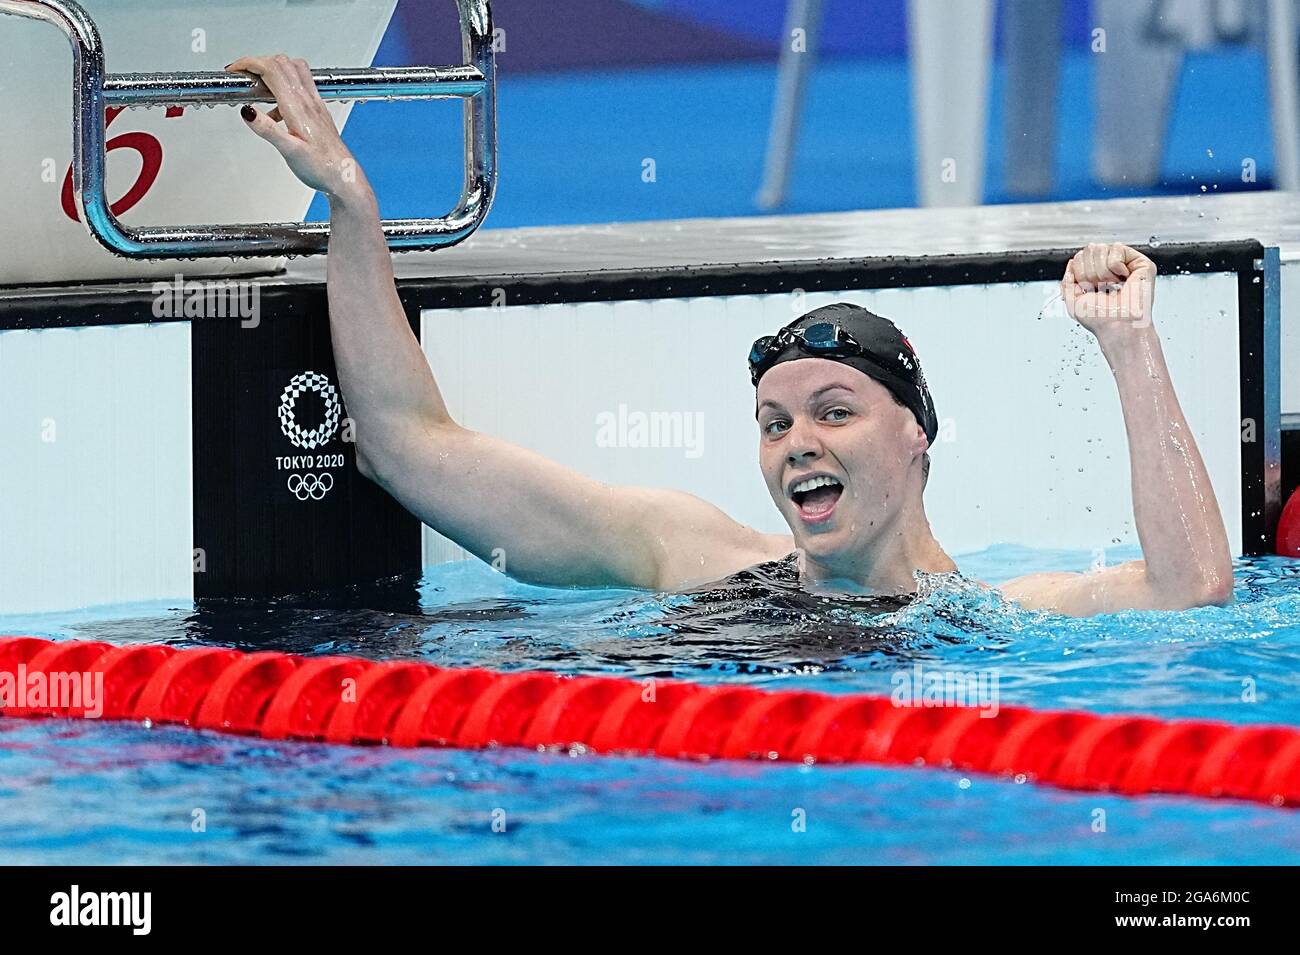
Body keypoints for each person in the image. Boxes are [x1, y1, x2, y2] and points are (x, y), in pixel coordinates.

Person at [227, 55, 1235, 618]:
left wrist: (1129, 346)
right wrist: (353, 211)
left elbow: (1191, 590)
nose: (796, 439)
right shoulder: (687, 550)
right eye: (773, 421)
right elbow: (411, 447)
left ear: (916, 437)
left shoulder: (994, 619)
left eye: (833, 411)